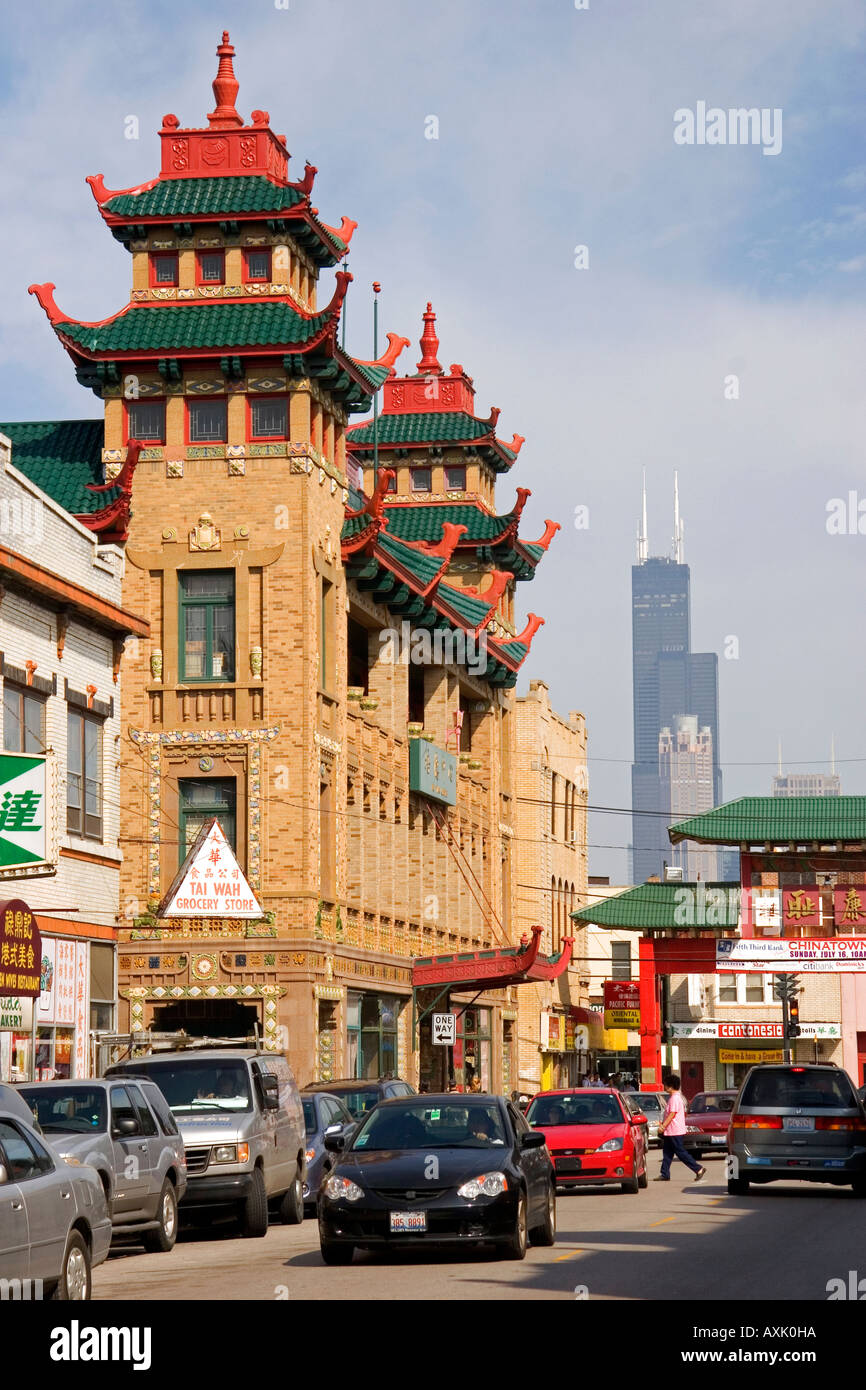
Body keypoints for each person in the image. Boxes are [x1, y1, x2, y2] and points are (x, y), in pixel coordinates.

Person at [656, 1074, 706, 1183]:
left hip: (674, 1131)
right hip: (671, 1131)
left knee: (680, 1152)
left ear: (670, 1086)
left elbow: (672, 1114)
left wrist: (663, 1126)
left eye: (665, 1085)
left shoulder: (674, 1098)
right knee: (667, 1152)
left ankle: (698, 1169)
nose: (664, 1087)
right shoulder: (676, 1097)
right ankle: (664, 1173)